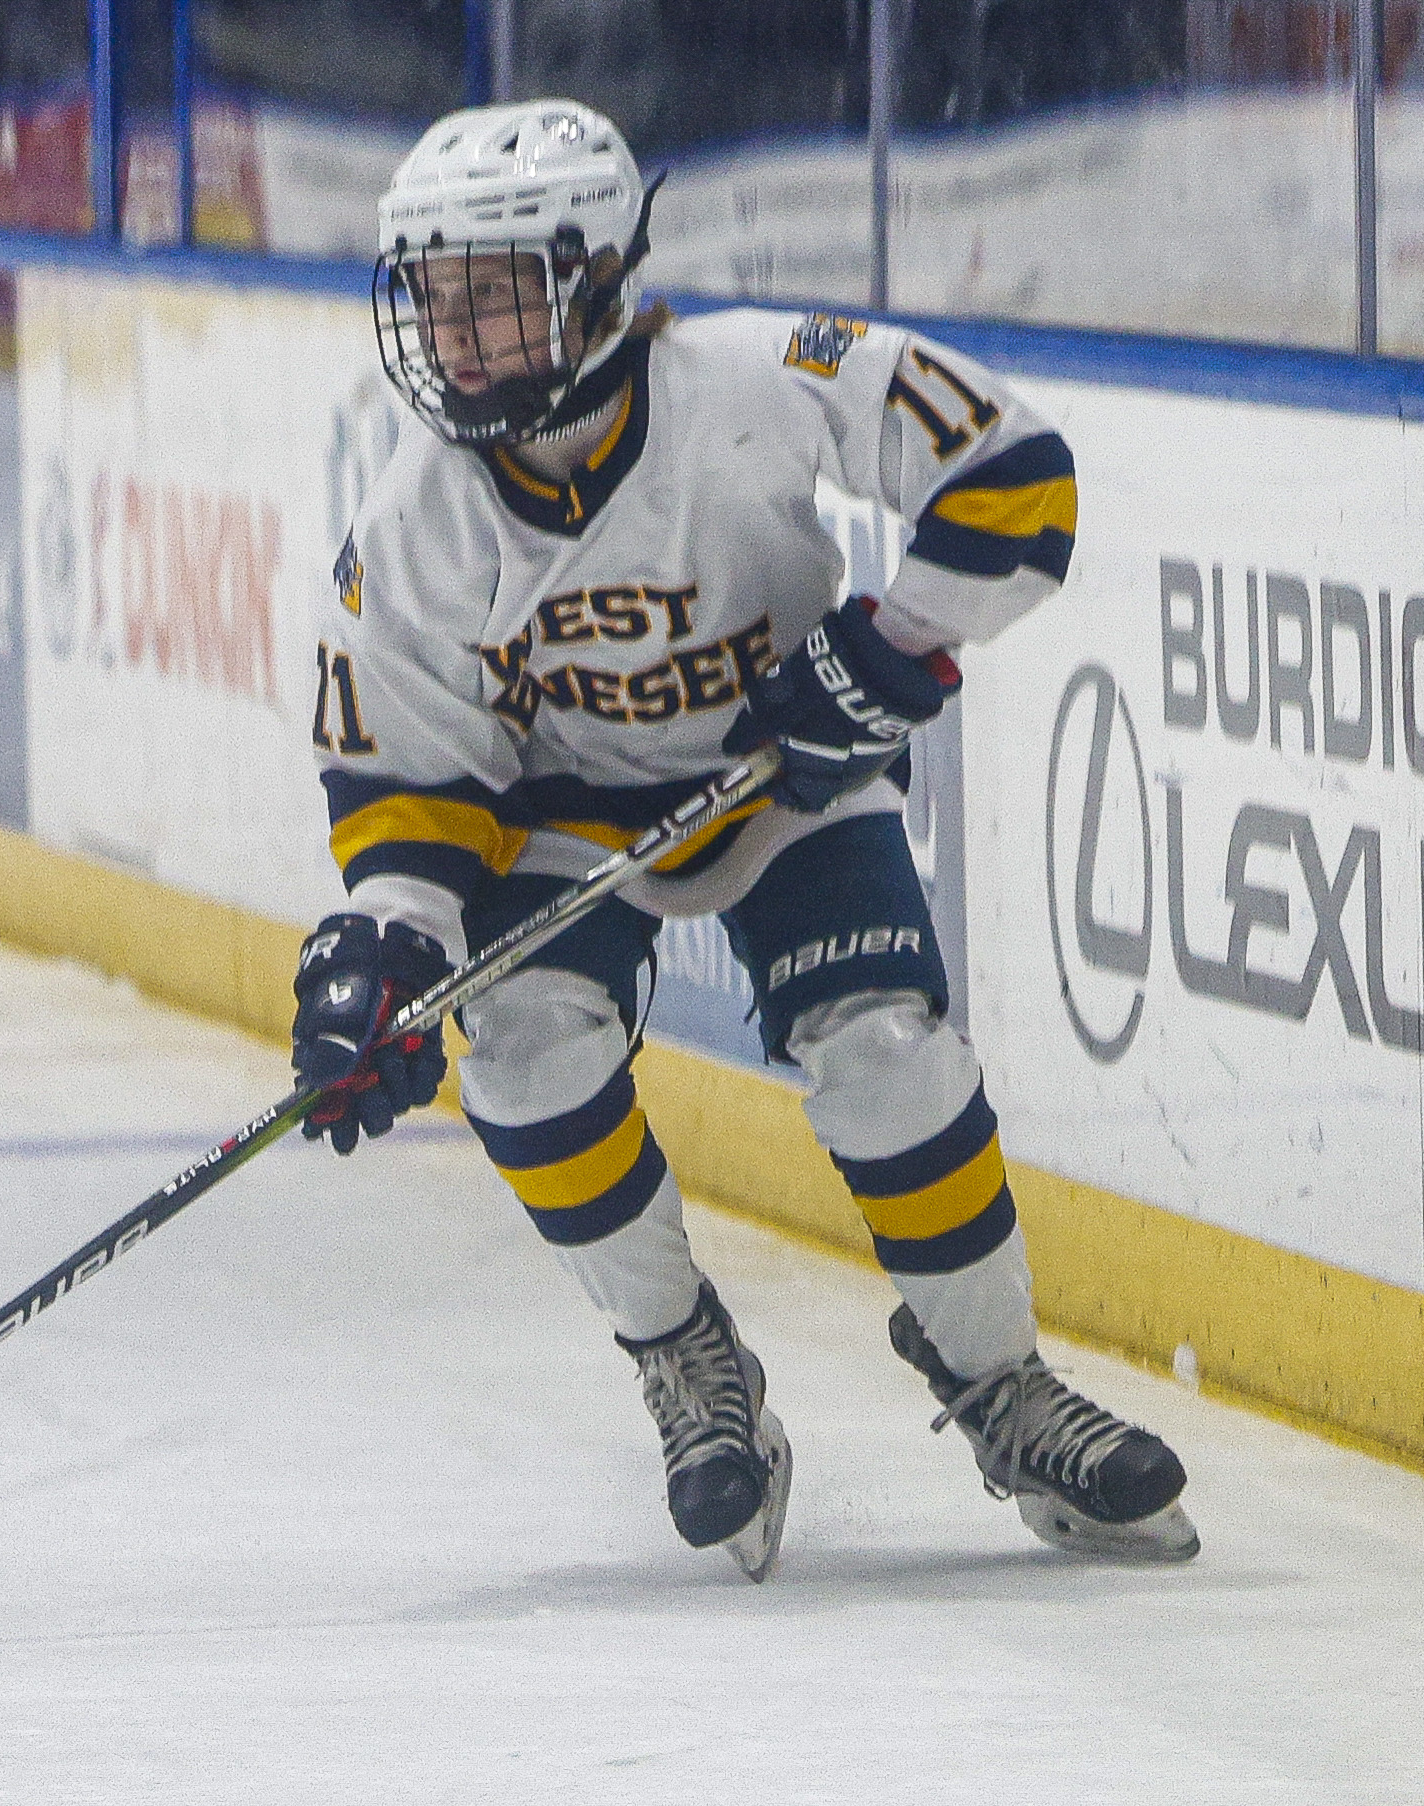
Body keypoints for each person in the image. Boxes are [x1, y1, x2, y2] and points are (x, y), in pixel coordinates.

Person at [291, 98, 1195, 1579]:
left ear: (594, 281)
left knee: (888, 1057)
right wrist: (385, 952)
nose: (454, 338)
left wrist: (894, 647)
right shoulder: (412, 521)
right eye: (434, 300)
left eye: (493, 294)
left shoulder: (763, 374)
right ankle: (686, 1360)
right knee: (516, 1049)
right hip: (568, 813)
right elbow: (408, 786)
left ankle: (1003, 1388)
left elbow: (1013, 472)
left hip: (784, 780)